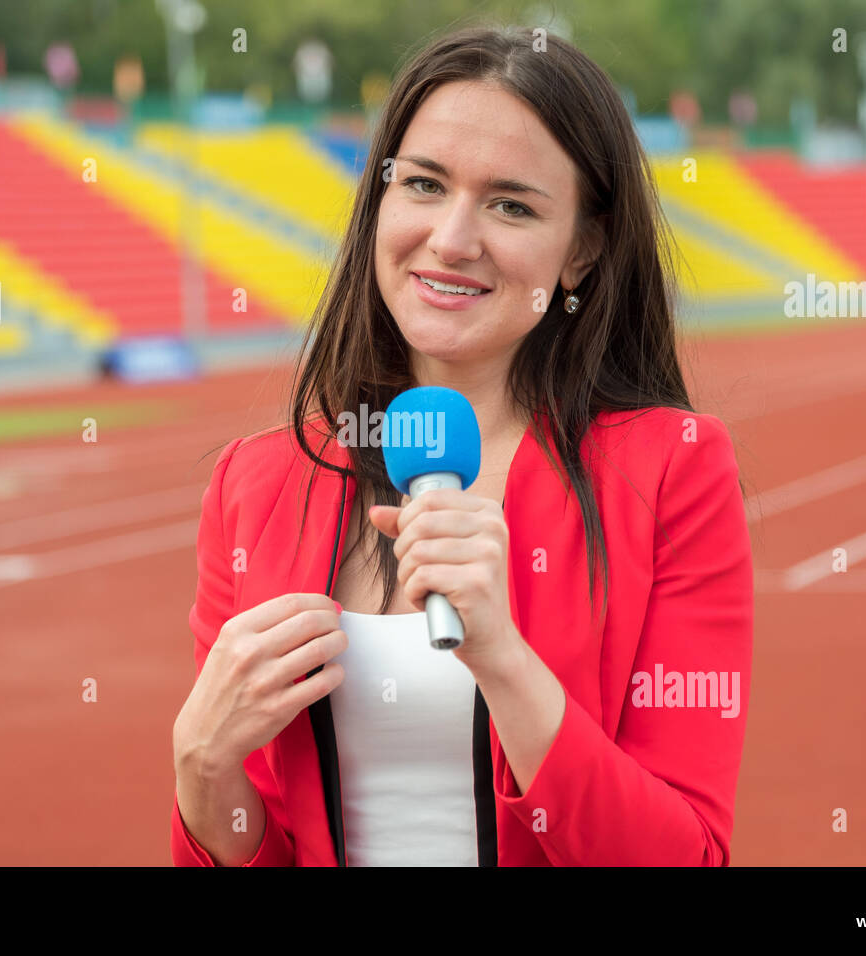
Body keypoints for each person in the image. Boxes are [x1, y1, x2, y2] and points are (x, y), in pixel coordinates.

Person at [171, 24, 753, 866]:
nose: (451, 238)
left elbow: (685, 855)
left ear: (583, 249)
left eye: (511, 204)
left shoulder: (670, 471)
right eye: (424, 185)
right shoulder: (254, 486)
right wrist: (200, 765)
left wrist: (503, 659)